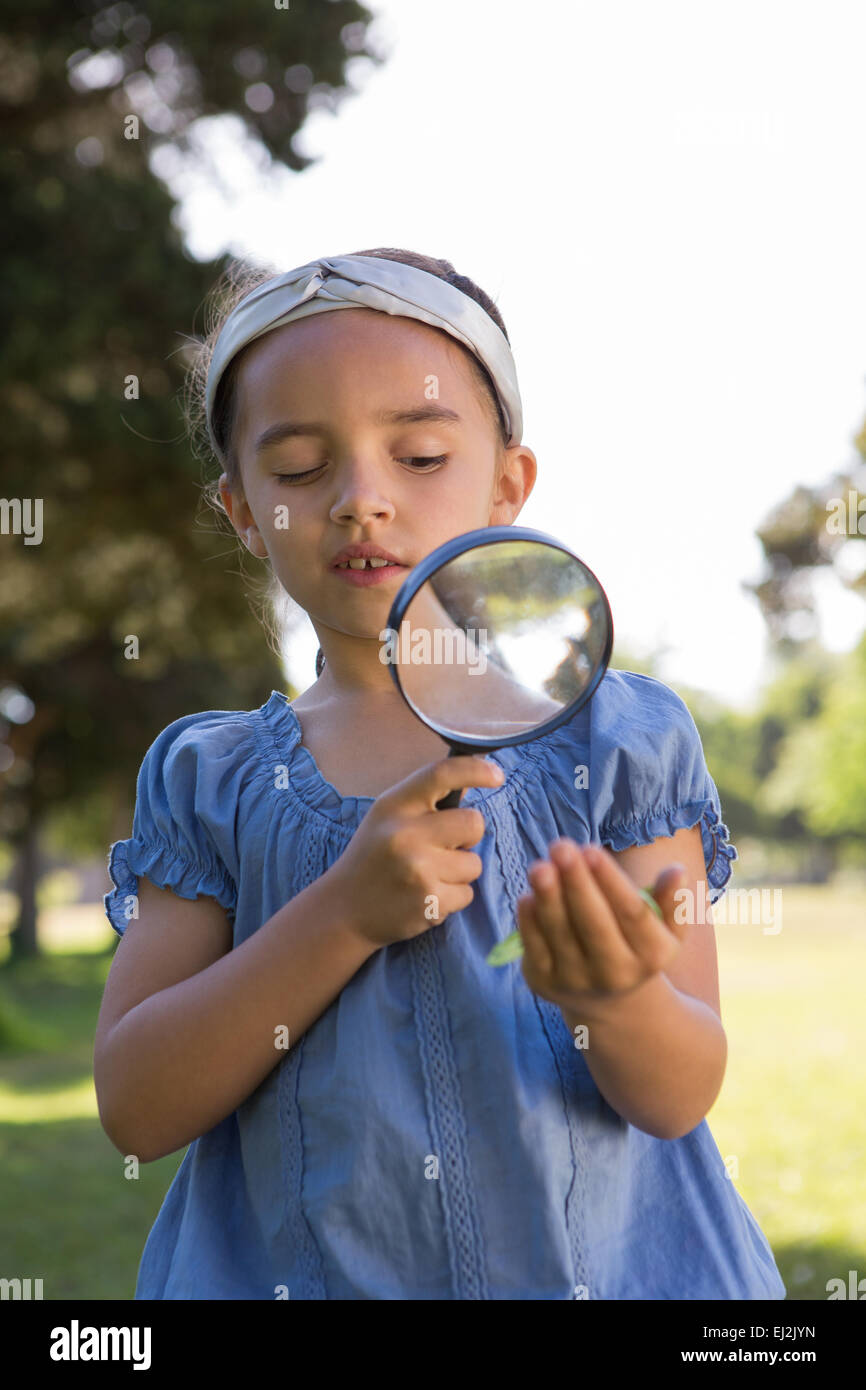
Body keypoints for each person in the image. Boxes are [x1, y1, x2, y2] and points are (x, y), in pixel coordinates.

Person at [95, 248, 786, 1300]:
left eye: (418, 455)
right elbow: (137, 1106)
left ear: (507, 485)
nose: (359, 500)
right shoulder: (213, 778)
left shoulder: (620, 741)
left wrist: (614, 997)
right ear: (241, 509)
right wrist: (343, 912)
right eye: (295, 469)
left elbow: (679, 1088)